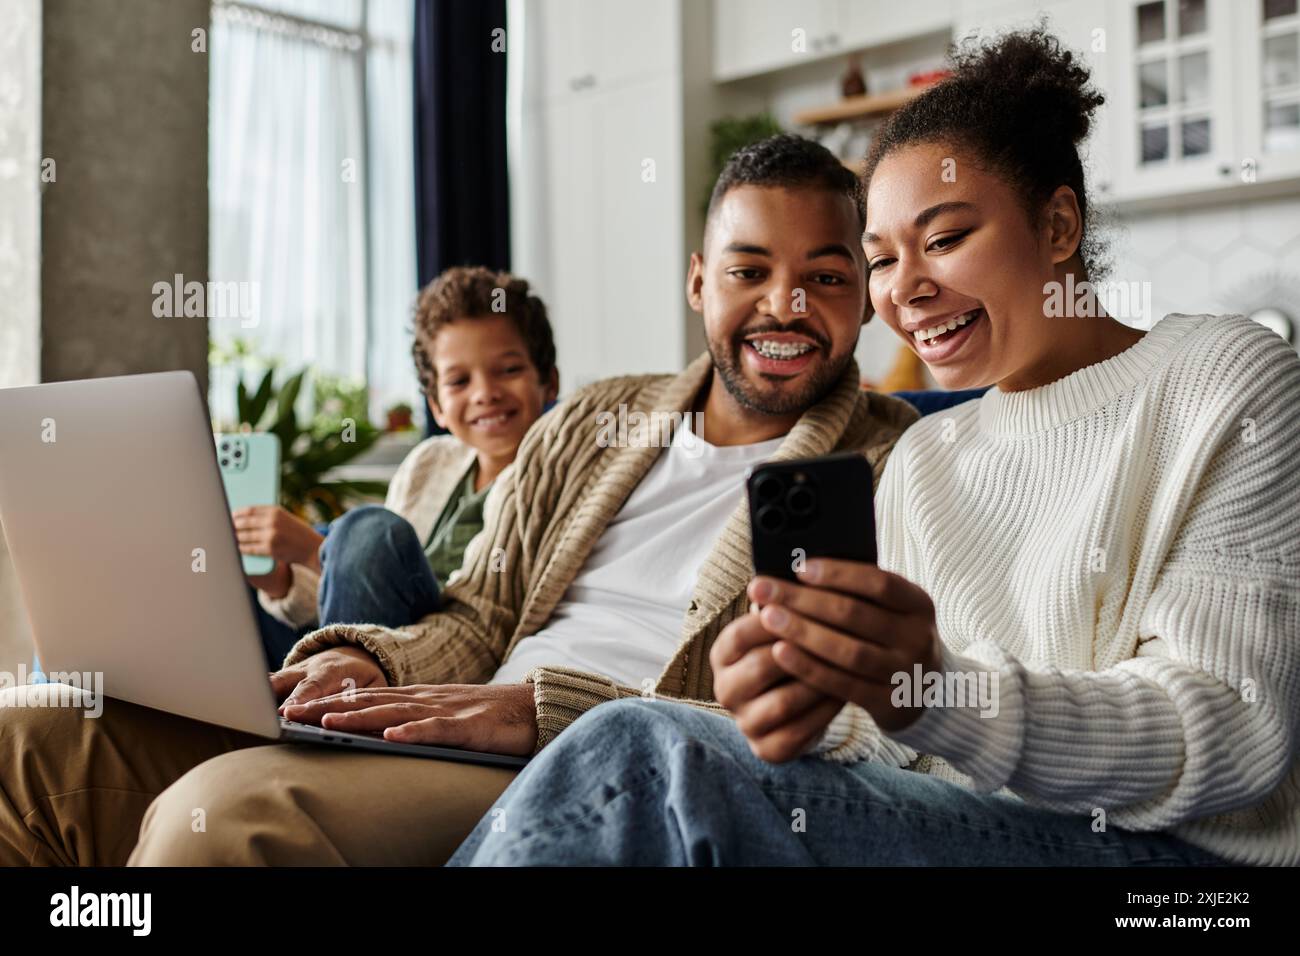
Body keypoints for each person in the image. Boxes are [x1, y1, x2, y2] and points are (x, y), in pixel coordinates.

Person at [448, 28, 1300, 867]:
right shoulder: (930, 459)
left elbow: (1228, 730)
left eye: (943, 240)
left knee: (640, 750)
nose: (906, 291)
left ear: (1060, 225)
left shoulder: (1226, 378)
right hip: (973, 827)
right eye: (881, 260)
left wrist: (933, 689)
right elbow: (908, 748)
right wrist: (803, 710)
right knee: (634, 738)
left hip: (1179, 873)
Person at [0, 134, 920, 865]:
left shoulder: (892, 464)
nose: (785, 304)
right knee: (33, 736)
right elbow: (479, 607)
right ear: (697, 282)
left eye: (826, 277)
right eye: (748, 270)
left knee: (232, 817)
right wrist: (374, 664)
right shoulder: (596, 417)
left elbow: (844, 729)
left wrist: (542, 709)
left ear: (868, 297)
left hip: (565, 768)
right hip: (443, 718)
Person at [237, 266, 559, 666]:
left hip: (441, 658)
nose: (485, 394)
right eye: (459, 382)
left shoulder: (552, 477)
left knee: (369, 531)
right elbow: (363, 597)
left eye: (508, 370)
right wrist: (279, 579)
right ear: (437, 406)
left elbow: (481, 619)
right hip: (372, 641)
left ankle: (333, 702)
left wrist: (315, 551)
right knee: (236, 577)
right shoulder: (430, 462)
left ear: (549, 382)